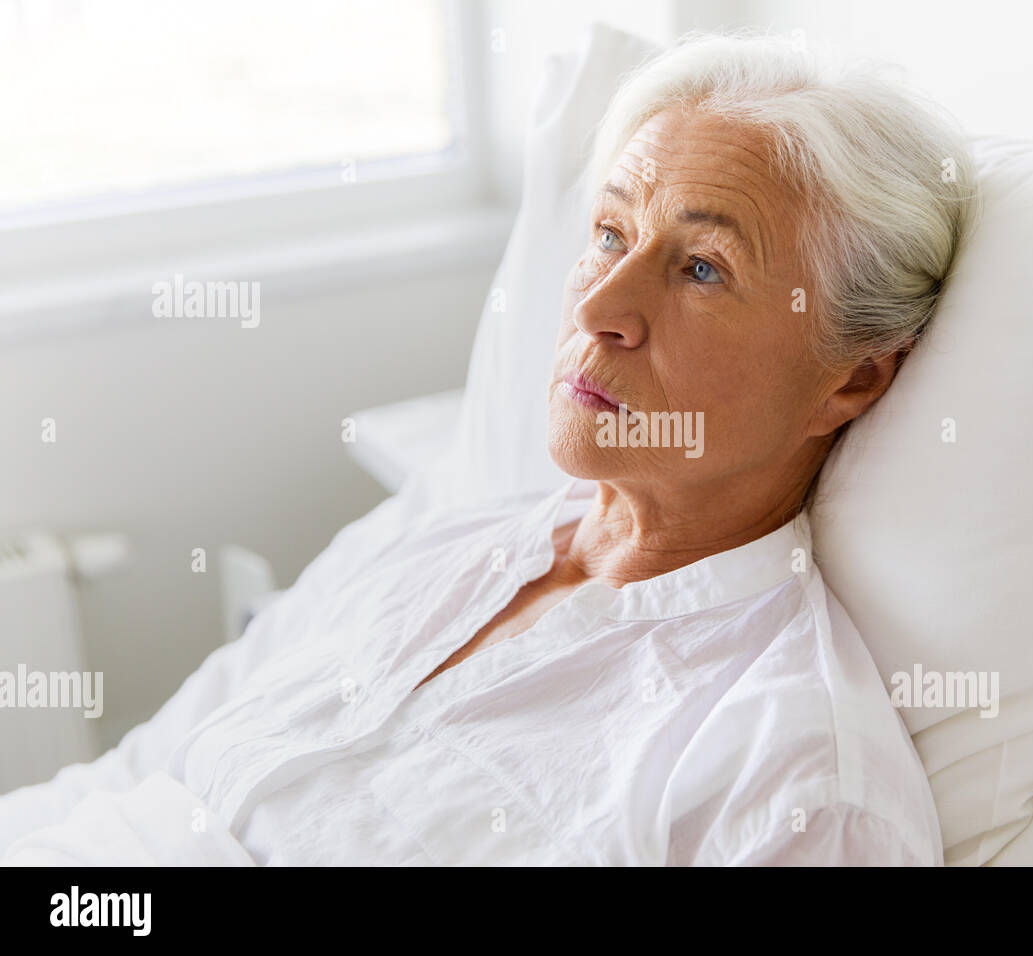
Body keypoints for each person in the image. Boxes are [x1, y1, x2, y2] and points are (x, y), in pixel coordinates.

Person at [0, 30, 975, 866]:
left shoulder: (789, 776)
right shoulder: (442, 537)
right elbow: (143, 772)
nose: (596, 307)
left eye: (703, 267)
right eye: (605, 233)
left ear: (850, 377)